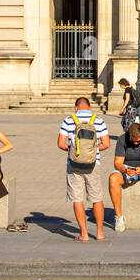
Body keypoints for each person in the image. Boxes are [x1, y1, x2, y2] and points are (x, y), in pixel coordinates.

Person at [58, 96, 111, 244]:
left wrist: (76, 152)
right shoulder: (98, 120)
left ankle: (84, 234)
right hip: (94, 164)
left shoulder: (69, 120)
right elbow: (106, 144)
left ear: (76, 107)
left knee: (77, 199)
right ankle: (100, 232)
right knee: (97, 198)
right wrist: (93, 151)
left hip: (74, 165)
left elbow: (61, 144)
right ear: (89, 107)